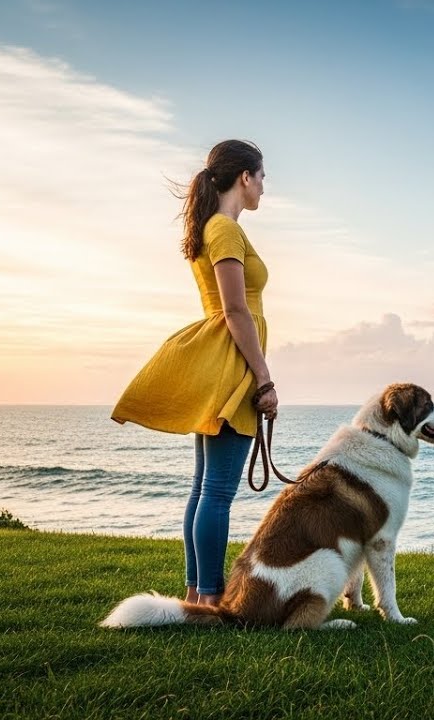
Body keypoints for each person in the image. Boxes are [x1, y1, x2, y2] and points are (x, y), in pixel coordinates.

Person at [111, 139, 278, 607]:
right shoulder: (224, 229)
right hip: (232, 366)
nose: (264, 187)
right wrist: (264, 378)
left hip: (224, 361)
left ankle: (195, 592)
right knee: (218, 491)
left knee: (205, 487)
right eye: (262, 176)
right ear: (244, 177)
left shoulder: (215, 227)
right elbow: (235, 310)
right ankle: (209, 599)